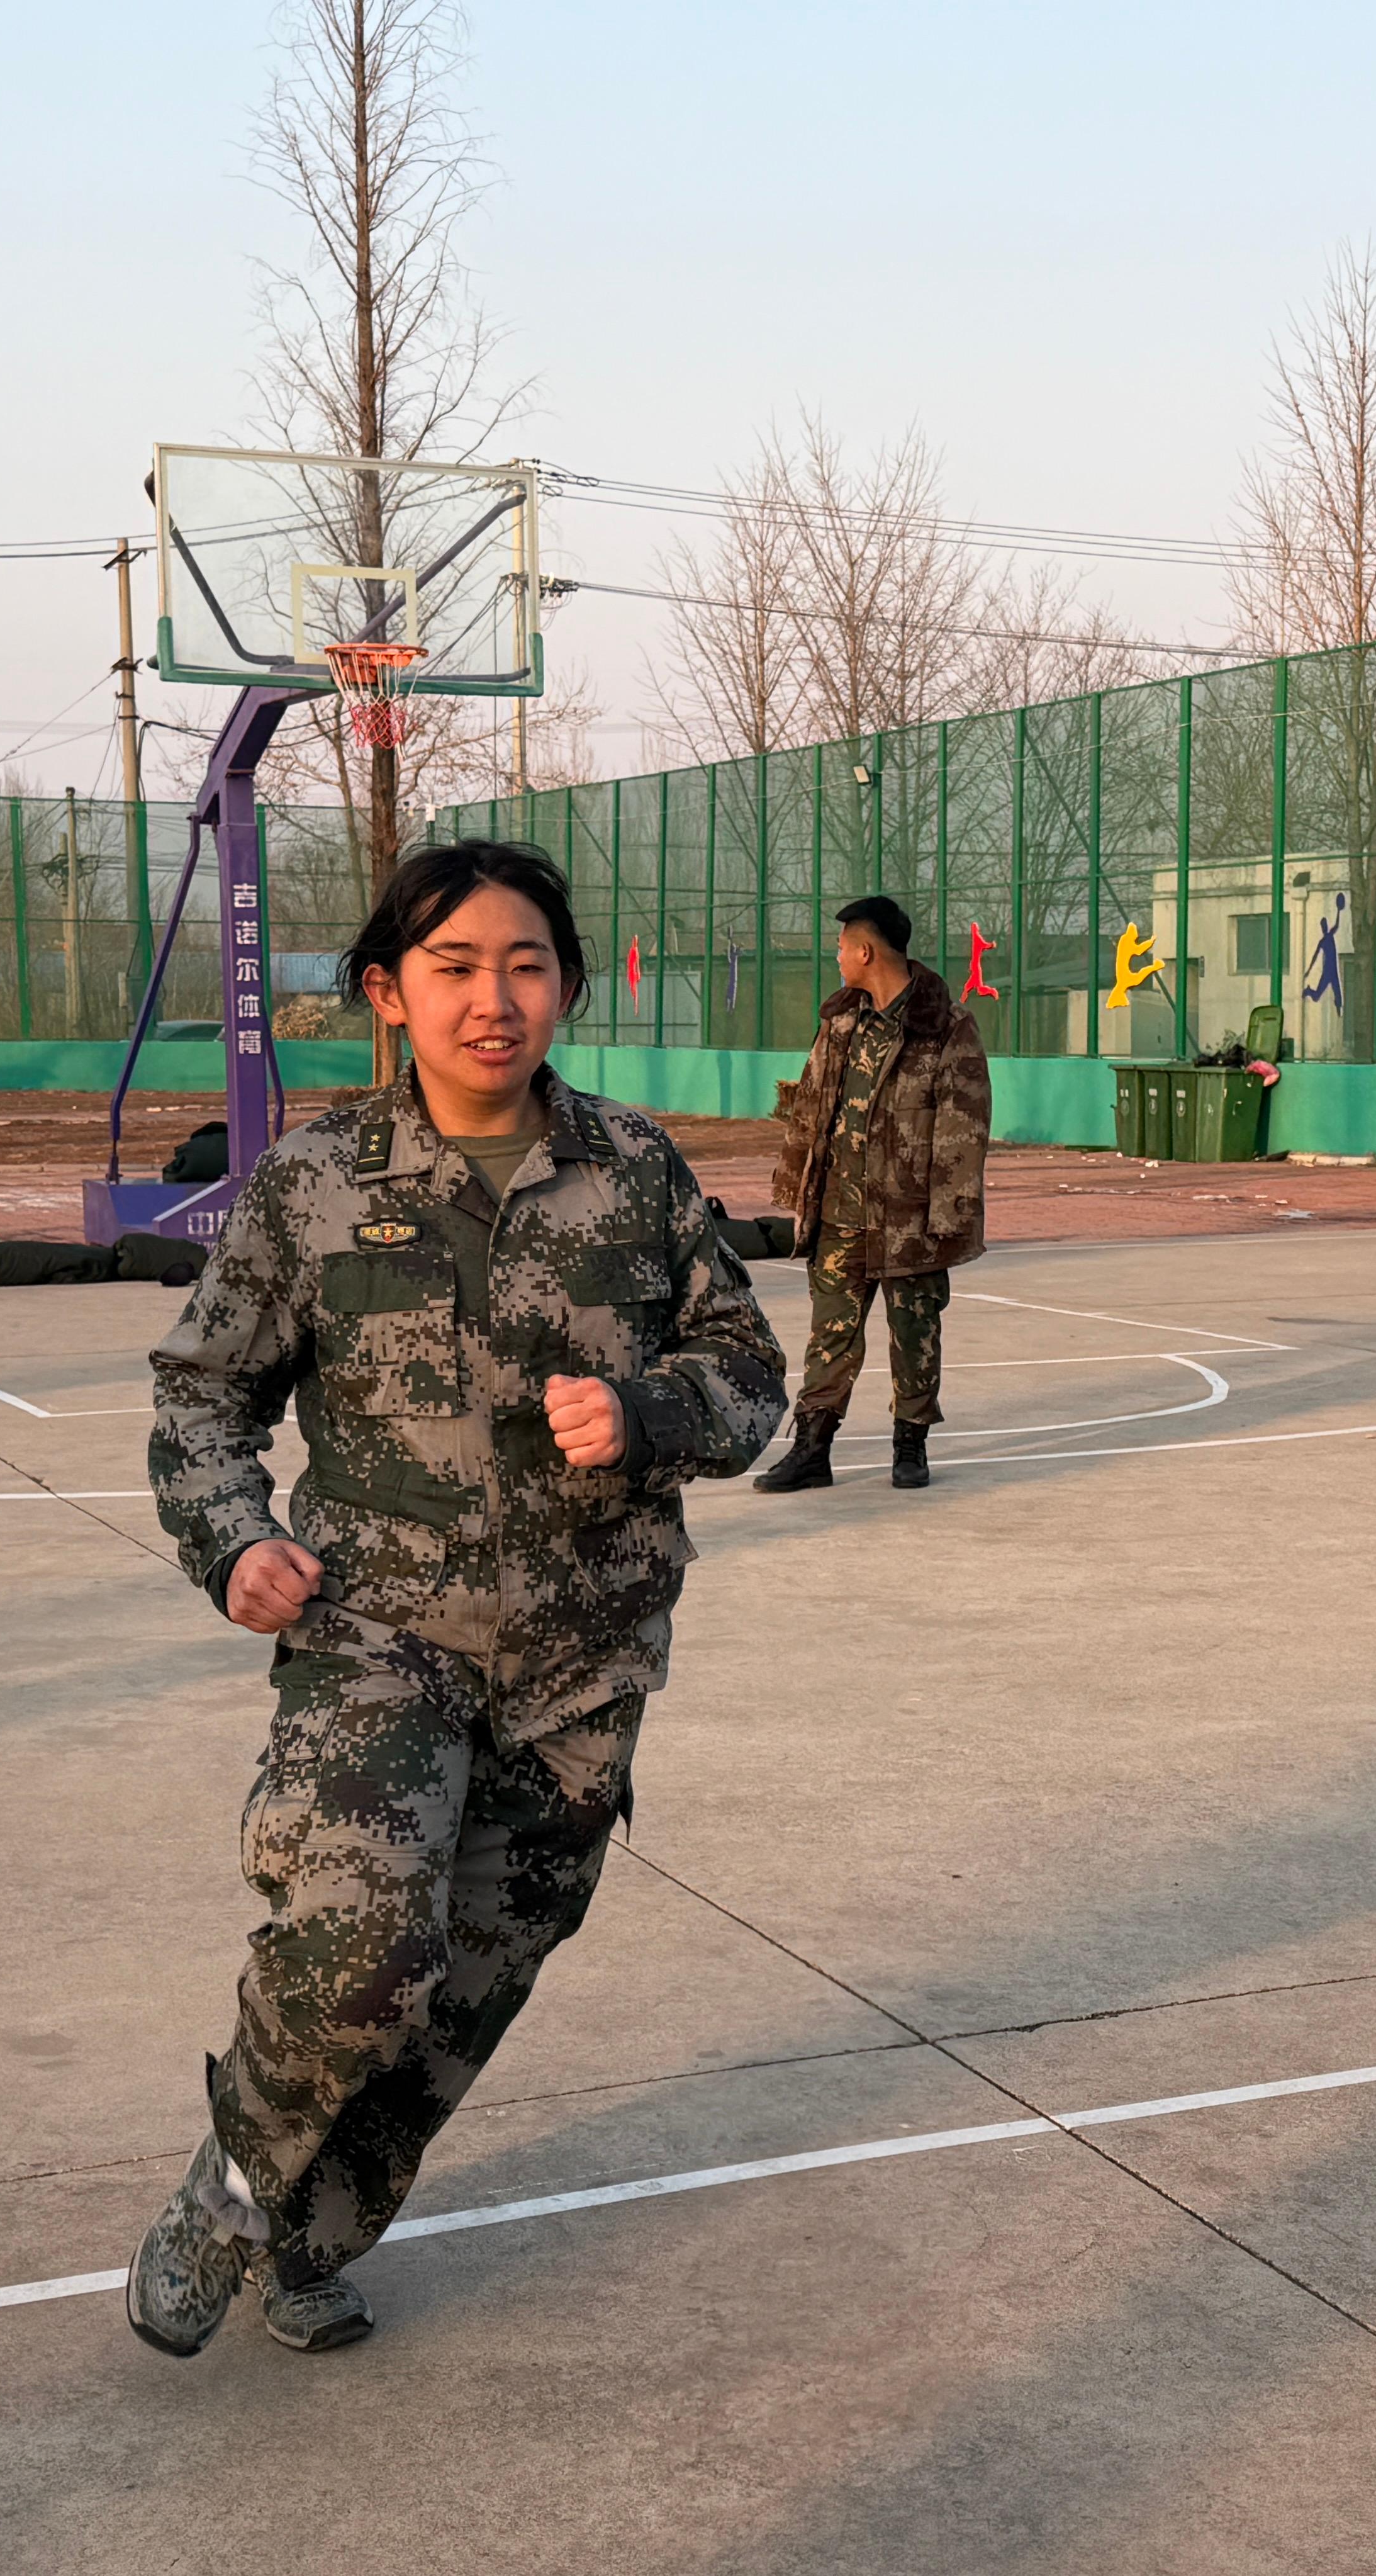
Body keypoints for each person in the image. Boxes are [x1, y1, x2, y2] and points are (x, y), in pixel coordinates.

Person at [128, 836, 788, 2360]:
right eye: (455, 967)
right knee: (361, 1952)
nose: (495, 999)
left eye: (526, 965)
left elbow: (749, 1376)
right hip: (380, 1634)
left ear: (567, 985)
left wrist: (649, 1411)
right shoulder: (315, 1184)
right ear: (387, 993)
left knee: (472, 1987)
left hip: (584, 1660)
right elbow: (203, 1395)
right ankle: (232, 2187)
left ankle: (311, 2238)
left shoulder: (635, 1171)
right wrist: (232, 1544)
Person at [756, 895, 992, 1493]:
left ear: (866, 952)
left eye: (841, 947)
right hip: (841, 1214)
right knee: (829, 1337)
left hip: (911, 1218)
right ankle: (812, 1449)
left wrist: (948, 1216)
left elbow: (964, 1125)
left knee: (915, 1334)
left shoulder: (945, 1025)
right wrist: (798, 1191)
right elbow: (812, 1108)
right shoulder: (840, 1021)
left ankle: (911, 1444)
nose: (836, 957)